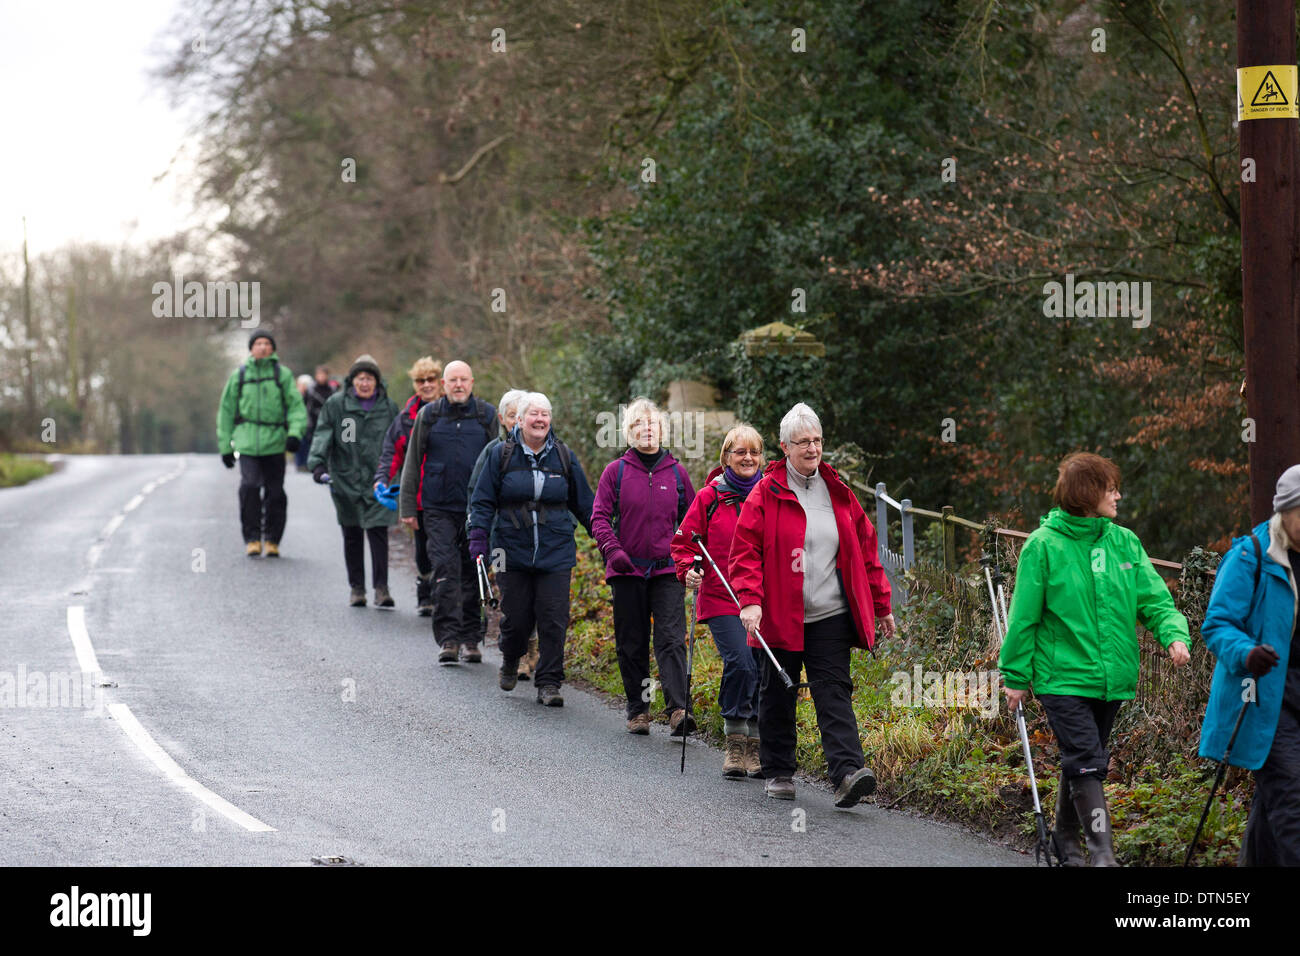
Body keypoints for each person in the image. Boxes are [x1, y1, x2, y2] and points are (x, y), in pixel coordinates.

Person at [1000, 452, 1190, 866]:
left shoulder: (1124, 542)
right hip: (1061, 677)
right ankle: (1102, 854)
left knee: (1082, 761)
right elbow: (1024, 617)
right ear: (1088, 494)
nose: (1118, 495)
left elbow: (1155, 600)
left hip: (1113, 678)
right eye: (1110, 488)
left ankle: (1065, 843)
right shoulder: (1043, 547)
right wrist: (1015, 674)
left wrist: (1174, 634)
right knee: (1088, 760)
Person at [729, 403, 893, 807]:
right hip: (780, 615)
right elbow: (744, 551)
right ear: (785, 447)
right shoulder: (765, 494)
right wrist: (750, 601)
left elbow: (866, 552)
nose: (813, 448)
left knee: (834, 692)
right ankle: (780, 771)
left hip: (829, 615)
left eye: (817, 440)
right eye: (804, 442)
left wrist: (882, 603)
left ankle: (848, 773)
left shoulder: (837, 492)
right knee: (777, 694)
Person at [1199, 464, 1300, 865]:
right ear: (1286, 510)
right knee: (1292, 796)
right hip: (1265, 698)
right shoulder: (1252, 555)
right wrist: (1246, 652)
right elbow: (1217, 624)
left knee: (1276, 797)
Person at [468, 392, 595, 706]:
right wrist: (478, 537)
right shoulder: (501, 455)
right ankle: (511, 657)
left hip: (556, 548)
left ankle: (549, 682)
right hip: (512, 548)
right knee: (517, 618)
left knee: (554, 618)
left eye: (545, 415)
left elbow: (585, 505)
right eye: (533, 414)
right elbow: (482, 500)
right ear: (520, 420)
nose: (540, 420)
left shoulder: (563, 456)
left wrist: (606, 537)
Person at [590, 397, 696, 736]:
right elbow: (599, 518)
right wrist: (612, 550)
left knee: (670, 640)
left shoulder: (677, 474)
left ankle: (678, 709)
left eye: (651, 425)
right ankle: (639, 710)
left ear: (661, 430)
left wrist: (691, 559)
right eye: (638, 425)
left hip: (667, 572)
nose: (646, 430)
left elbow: (692, 522)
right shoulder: (615, 472)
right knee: (632, 641)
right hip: (627, 571)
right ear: (628, 432)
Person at [672, 424, 767, 777]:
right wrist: (688, 571)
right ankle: (734, 740)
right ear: (726, 457)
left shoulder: (772, 494)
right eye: (739, 452)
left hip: (762, 597)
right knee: (741, 661)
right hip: (722, 596)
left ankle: (756, 746)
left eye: (753, 452)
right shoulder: (710, 498)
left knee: (761, 666)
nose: (747, 458)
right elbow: (684, 543)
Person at [398, 360, 497, 664]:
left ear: (472, 382)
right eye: (452, 380)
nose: (458, 385)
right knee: (445, 571)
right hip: (437, 509)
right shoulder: (429, 415)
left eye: (463, 380)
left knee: (472, 572)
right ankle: (448, 640)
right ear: (443, 384)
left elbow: (498, 462)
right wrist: (407, 508)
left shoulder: (486, 415)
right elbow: (412, 462)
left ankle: (471, 639)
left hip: (475, 511)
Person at [308, 354, 400, 606]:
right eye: (360, 378)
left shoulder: (388, 408)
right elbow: (323, 433)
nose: (365, 383)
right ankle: (357, 588)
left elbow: (399, 443)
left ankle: (382, 588)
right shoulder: (336, 405)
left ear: (377, 382)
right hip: (345, 479)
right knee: (352, 533)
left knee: (378, 532)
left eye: (370, 378)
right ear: (352, 381)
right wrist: (317, 463)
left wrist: (401, 473)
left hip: (378, 480)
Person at [215, 330, 308, 557]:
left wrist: (295, 434)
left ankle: (273, 539)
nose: (263, 347)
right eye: (258, 343)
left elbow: (296, 407)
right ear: (251, 349)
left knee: (275, 493)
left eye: (267, 343)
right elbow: (226, 411)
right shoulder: (240, 375)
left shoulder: (282, 375)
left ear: (273, 349)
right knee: (249, 487)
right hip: (246, 442)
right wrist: (226, 447)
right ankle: (253, 538)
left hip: (275, 441)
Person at [465, 389, 536, 676]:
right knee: (513, 598)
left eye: (523, 416)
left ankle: (532, 646)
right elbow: (477, 495)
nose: (518, 423)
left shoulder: (546, 450)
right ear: (503, 420)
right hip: (502, 541)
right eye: (512, 417)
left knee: (538, 598)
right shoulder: (493, 452)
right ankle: (516, 652)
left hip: (538, 540)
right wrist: (479, 531)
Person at [374, 356, 444, 616]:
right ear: (414, 384)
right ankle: (424, 584)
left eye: (430, 379)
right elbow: (392, 454)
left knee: (446, 547)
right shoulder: (405, 419)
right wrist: (381, 479)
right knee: (424, 548)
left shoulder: (455, 413)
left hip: (450, 496)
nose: (426, 385)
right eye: (420, 380)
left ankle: (445, 593)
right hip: (419, 496)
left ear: (440, 382)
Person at [294, 374, 314, 471]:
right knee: (299, 444)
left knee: (307, 444)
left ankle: (306, 464)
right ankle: (299, 464)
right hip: (297, 424)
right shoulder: (294, 395)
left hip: (308, 423)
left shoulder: (310, 396)